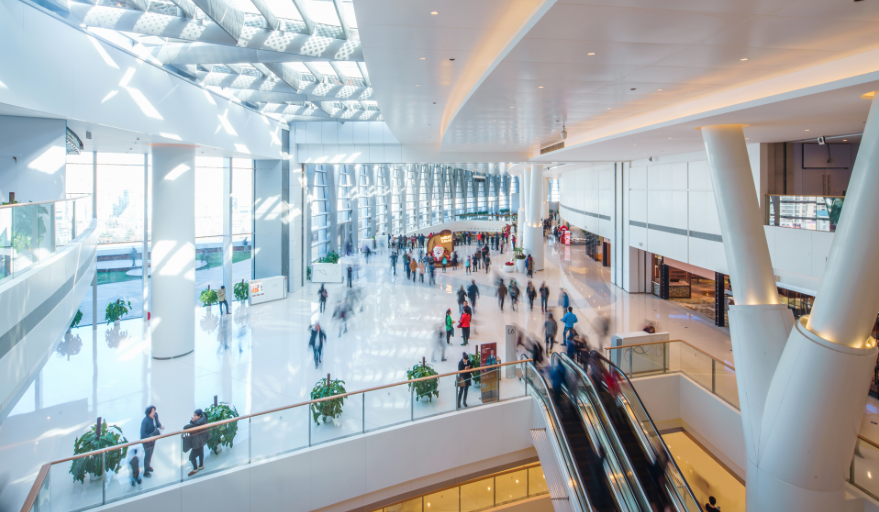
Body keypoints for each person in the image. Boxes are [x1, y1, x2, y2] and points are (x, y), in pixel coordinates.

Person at [183, 409, 208, 476]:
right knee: (200, 453)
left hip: (197, 441)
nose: (193, 417)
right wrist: (193, 421)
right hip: (201, 440)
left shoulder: (197, 423)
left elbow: (185, 427)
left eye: (195, 416)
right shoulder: (203, 420)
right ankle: (201, 466)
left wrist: (192, 422)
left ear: (199, 416)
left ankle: (195, 468)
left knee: (191, 457)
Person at [140, 406, 163, 477]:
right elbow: (143, 434)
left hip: (153, 439)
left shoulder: (155, 415)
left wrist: (160, 426)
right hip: (146, 441)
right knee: (148, 455)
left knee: (150, 453)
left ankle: (148, 466)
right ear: (149, 412)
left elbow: (157, 423)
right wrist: (150, 437)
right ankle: (146, 471)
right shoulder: (145, 421)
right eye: (153, 411)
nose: (154, 412)